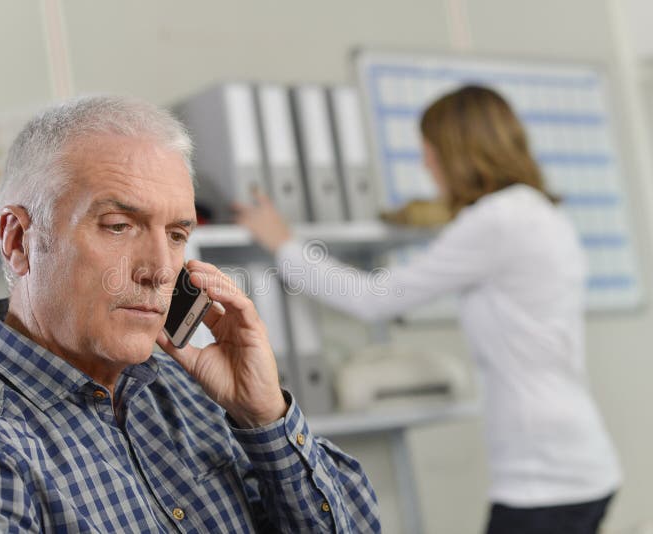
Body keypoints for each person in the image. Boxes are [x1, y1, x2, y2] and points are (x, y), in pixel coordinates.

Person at [0, 95, 381, 533]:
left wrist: (264, 417)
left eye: (176, 235)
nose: (161, 271)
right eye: (119, 226)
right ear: (20, 241)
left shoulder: (197, 394)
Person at [236, 85, 621, 534]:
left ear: (459, 153)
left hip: (545, 475)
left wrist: (284, 244)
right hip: (581, 461)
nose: (425, 163)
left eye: (430, 151)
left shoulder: (495, 221)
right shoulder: (539, 213)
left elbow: (374, 298)